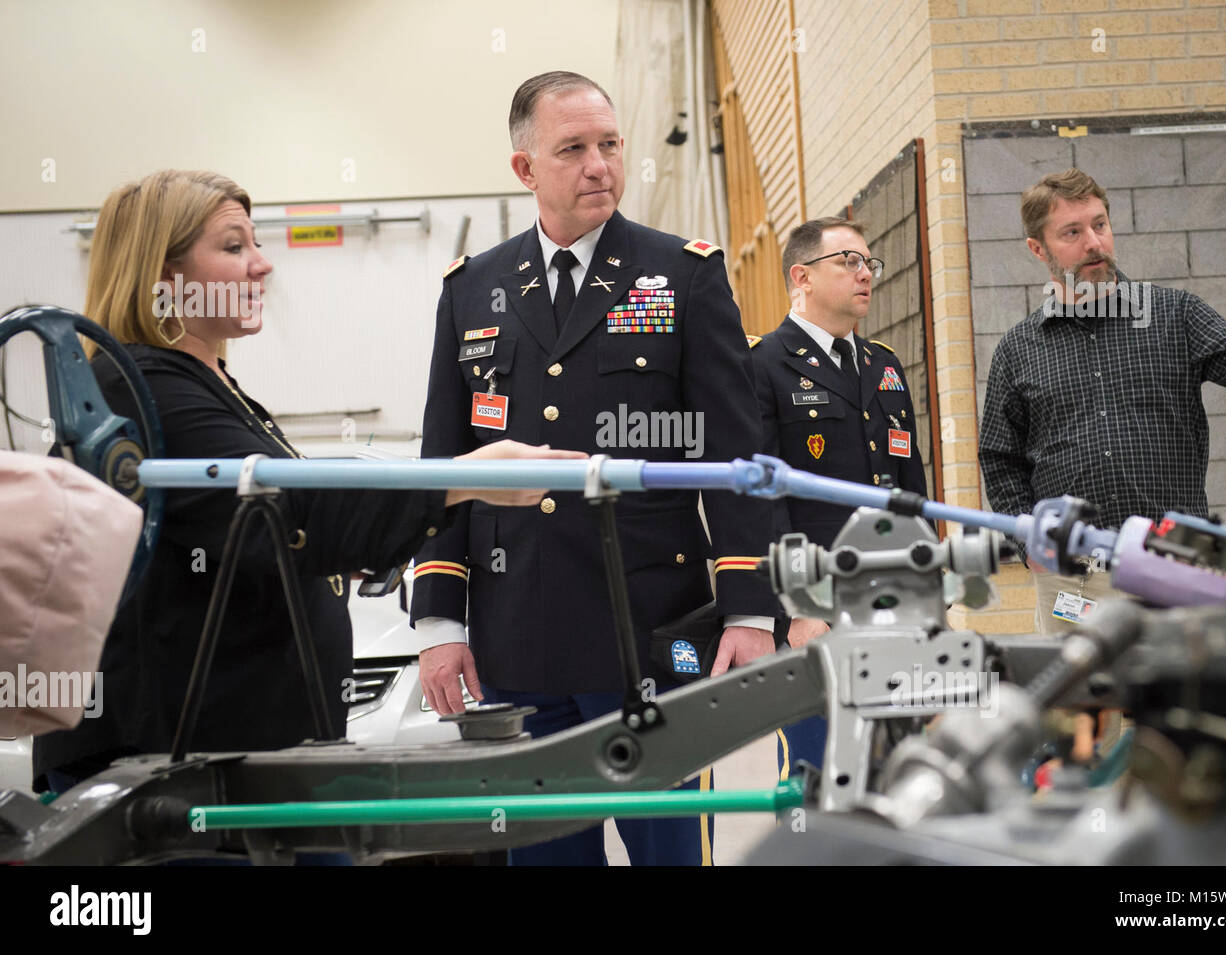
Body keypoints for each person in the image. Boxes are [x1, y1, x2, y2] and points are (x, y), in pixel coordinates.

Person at [33, 170, 581, 798]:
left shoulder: (203, 389)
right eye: (234, 247)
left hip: (245, 752)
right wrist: (463, 479)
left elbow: (275, 529)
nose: (262, 266)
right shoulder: (143, 389)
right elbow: (290, 511)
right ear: (163, 277)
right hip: (173, 769)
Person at [411, 71, 780, 866]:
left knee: (670, 855)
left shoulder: (683, 273)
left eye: (609, 145)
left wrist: (750, 605)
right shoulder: (472, 289)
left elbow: (738, 452)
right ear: (525, 169)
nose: (599, 166)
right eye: (573, 149)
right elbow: (444, 462)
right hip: (520, 639)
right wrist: (440, 620)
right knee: (546, 859)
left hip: (646, 631)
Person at [978, 167, 1226, 633]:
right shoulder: (1017, 349)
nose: (1094, 242)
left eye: (1100, 224)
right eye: (1072, 231)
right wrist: (1031, 546)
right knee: (1082, 702)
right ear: (1037, 248)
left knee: (1190, 696)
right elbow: (1000, 459)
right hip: (1074, 574)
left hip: (1180, 554)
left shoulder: (1175, 315)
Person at [750, 216, 929, 778]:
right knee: (820, 768)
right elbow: (761, 501)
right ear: (801, 276)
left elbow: (908, 484)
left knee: (903, 762)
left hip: (893, 597)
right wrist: (799, 608)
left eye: (869, 263)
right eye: (848, 261)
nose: (865, 274)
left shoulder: (882, 364)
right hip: (819, 606)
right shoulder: (761, 365)